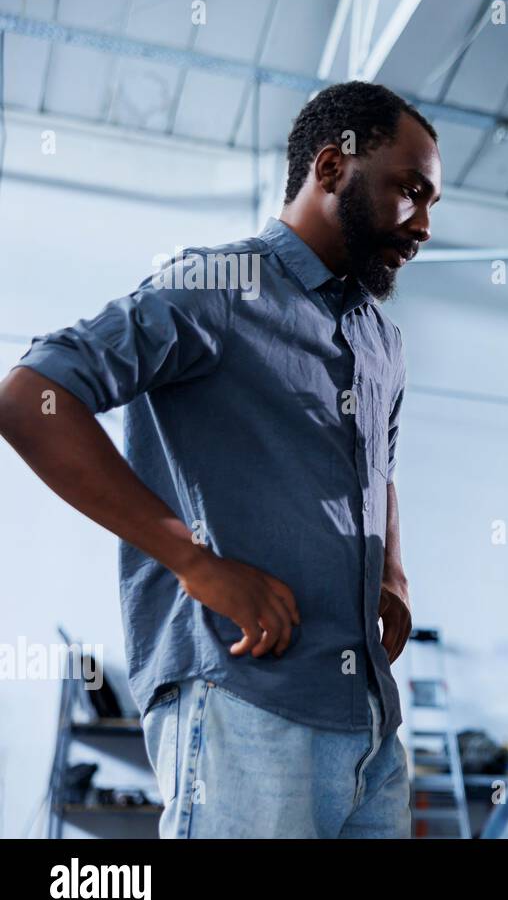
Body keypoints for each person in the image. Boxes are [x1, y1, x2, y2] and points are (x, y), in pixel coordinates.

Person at [0, 81, 442, 837]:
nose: (424, 225)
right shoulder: (215, 287)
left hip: (369, 721)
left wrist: (393, 573)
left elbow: (382, 474)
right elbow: (29, 397)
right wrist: (193, 561)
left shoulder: (382, 340)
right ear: (333, 169)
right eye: (411, 192)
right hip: (245, 707)